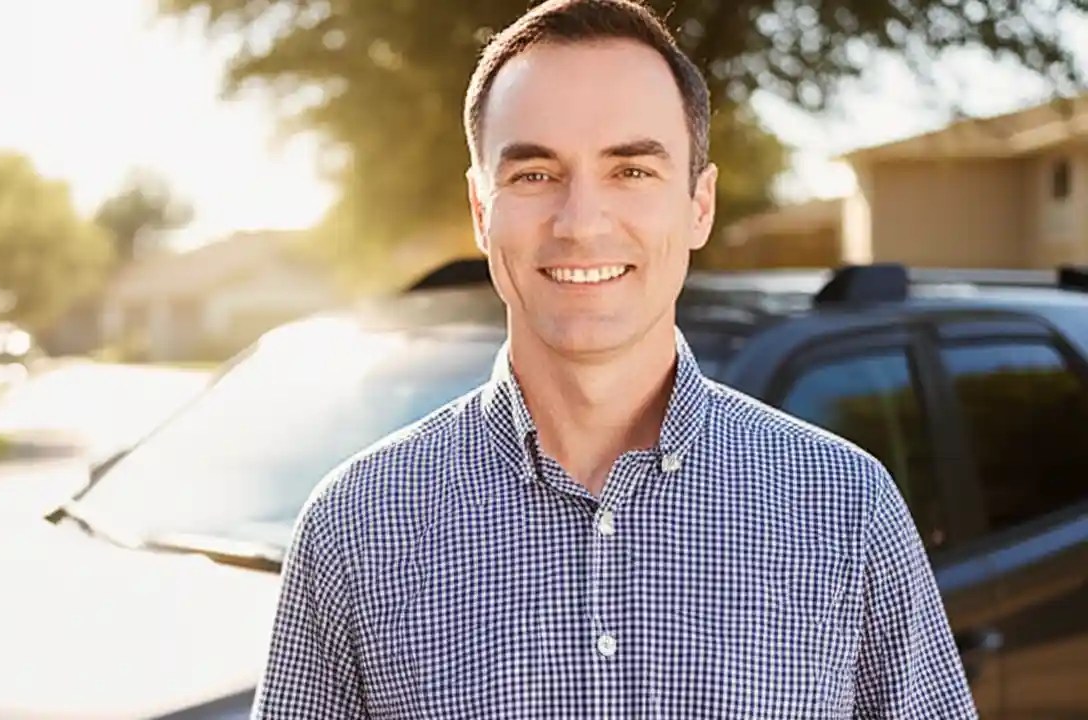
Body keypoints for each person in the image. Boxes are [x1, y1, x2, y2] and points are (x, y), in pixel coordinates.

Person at [252, 0, 978, 717]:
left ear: (700, 205)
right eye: (535, 174)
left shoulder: (846, 509)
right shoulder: (353, 528)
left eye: (631, 171)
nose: (581, 222)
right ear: (482, 211)